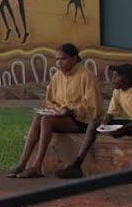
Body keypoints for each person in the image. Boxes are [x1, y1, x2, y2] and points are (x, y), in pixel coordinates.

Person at [6, 43, 104, 179]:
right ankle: (22, 164)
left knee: (47, 119)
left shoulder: (86, 76)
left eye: (63, 59)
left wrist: (71, 110)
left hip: (83, 120)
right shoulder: (57, 76)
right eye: (57, 59)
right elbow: (50, 100)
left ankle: (37, 166)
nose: (59, 63)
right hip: (62, 116)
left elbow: (94, 108)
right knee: (39, 116)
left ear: (75, 59)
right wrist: (56, 109)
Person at [54, 63, 132, 178]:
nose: (113, 79)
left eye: (117, 77)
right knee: (94, 123)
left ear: (127, 79)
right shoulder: (118, 92)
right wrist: (103, 126)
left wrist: (126, 128)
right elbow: (110, 113)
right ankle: (77, 165)